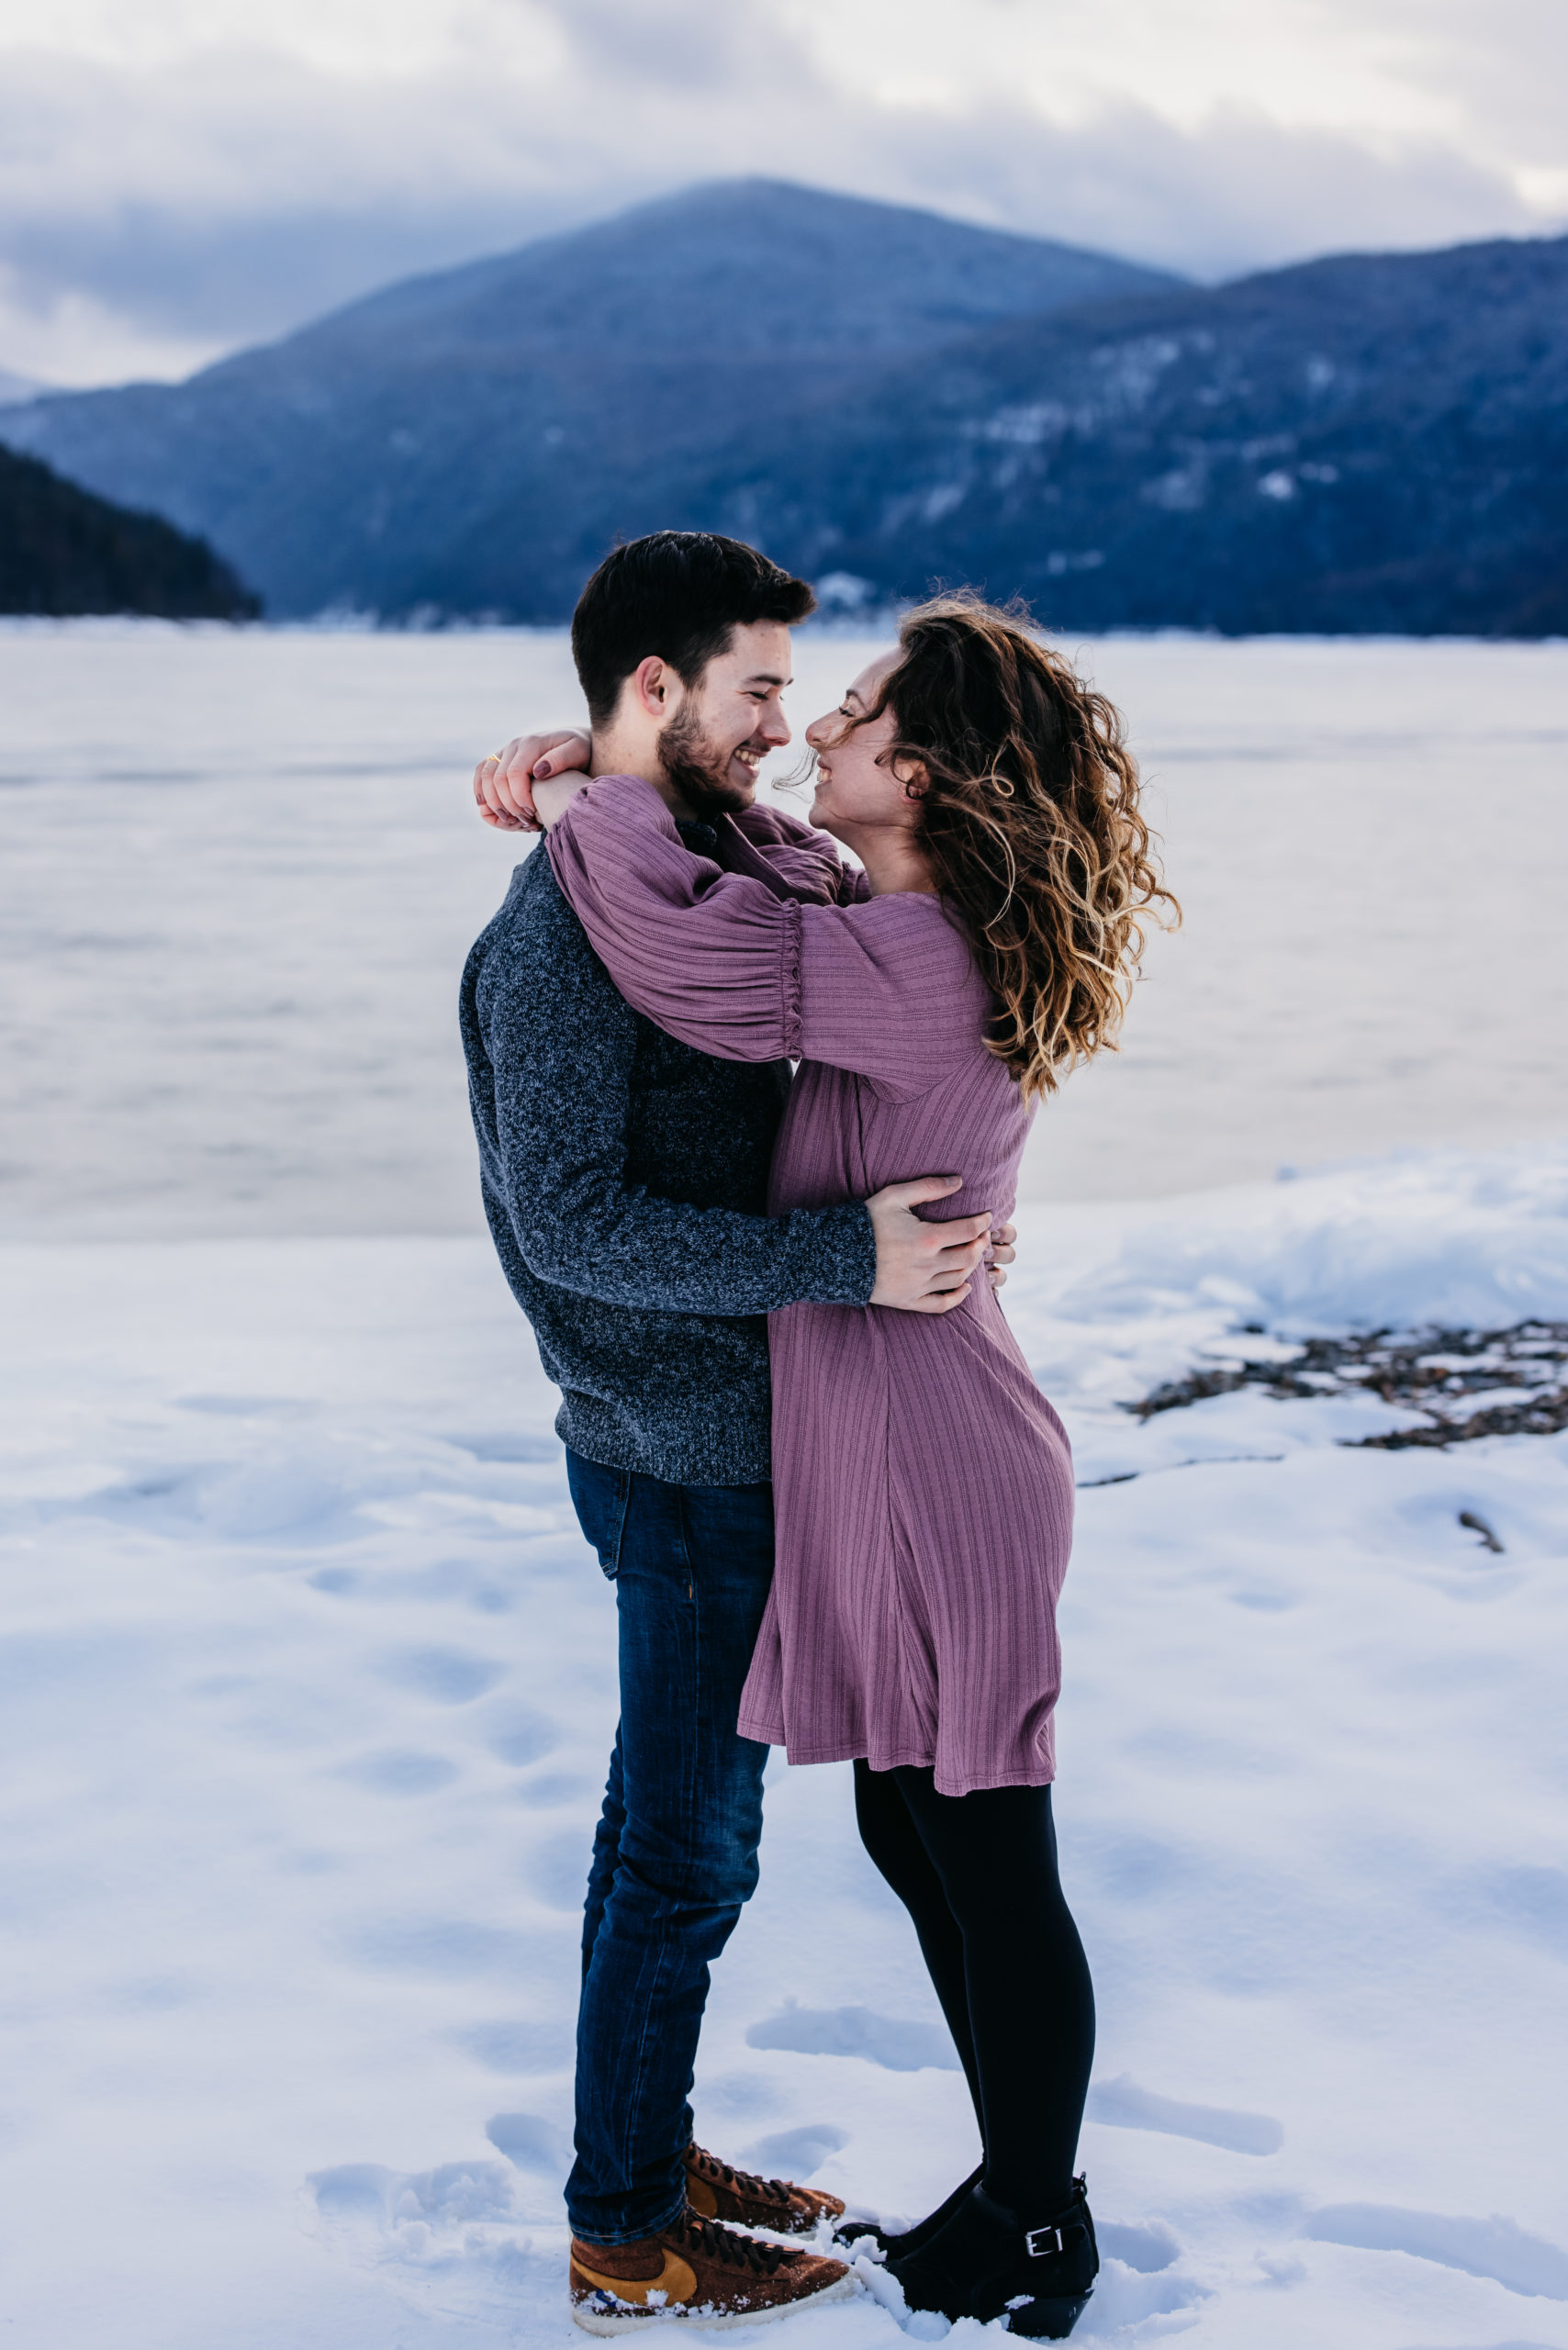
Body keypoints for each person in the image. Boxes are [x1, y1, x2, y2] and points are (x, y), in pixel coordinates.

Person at [486, 592, 1177, 2341]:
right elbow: (751, 873)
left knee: (986, 1851)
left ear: (925, 772)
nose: (817, 732)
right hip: (888, 1435)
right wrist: (605, 768)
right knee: (912, 1825)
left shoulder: (909, 956)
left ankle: (1040, 2217)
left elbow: (697, 951)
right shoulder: (880, 914)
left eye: (855, 709)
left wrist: (584, 799)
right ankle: (1013, 2189)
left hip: (937, 1454)